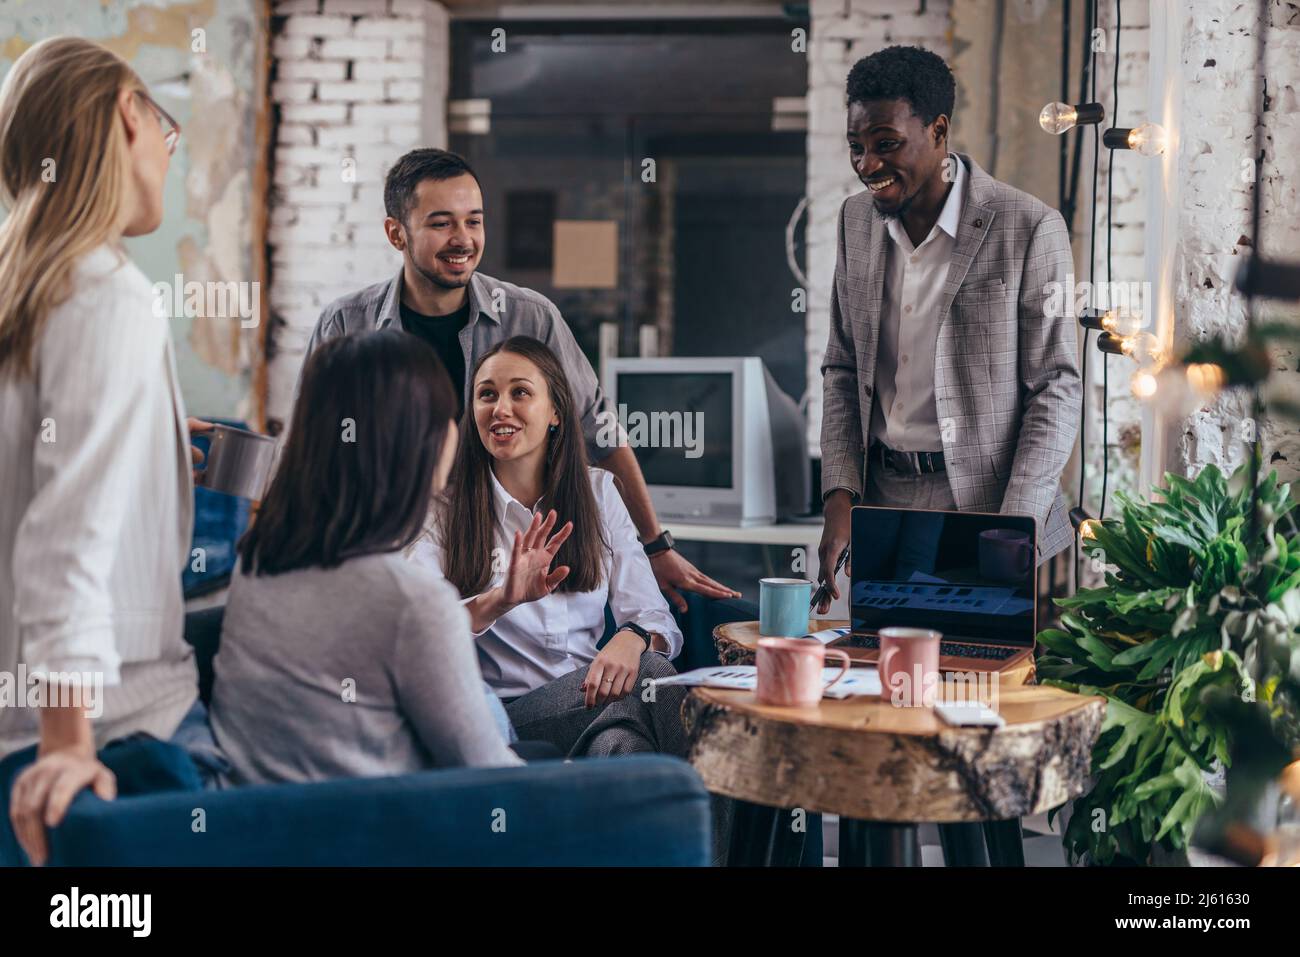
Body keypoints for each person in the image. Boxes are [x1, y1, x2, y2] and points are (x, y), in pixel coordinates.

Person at [300, 147, 738, 613]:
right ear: (396, 233)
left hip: (491, 555)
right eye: (441, 223)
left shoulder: (531, 316)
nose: (463, 239)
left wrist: (654, 546)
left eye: (474, 220)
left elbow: (600, 432)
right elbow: (310, 457)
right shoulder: (346, 324)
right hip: (380, 554)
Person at [0, 36, 224, 866]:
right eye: (165, 127)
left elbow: (29, 483)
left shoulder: (23, 289)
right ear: (128, 114)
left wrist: (154, 441)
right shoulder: (109, 294)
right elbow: (66, 537)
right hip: (120, 736)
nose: (168, 156)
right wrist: (67, 742)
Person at [816, 45, 1081, 613]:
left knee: (975, 679)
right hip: (880, 502)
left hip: (985, 509)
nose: (867, 165)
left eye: (886, 144)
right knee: (881, 678)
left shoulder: (1029, 226)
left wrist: (1016, 524)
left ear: (938, 131)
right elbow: (841, 365)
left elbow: (1056, 387)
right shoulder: (855, 221)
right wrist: (840, 494)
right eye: (856, 148)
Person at [209, 329, 522, 785]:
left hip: (262, 826)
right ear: (421, 443)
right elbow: (490, 779)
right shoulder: (411, 602)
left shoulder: (259, 559)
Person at [411, 336, 689, 760]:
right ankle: (707, 824)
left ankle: (688, 825)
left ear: (555, 412)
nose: (500, 409)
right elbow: (418, 631)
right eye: (487, 395)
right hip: (503, 717)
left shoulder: (598, 494)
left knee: (623, 746)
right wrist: (500, 600)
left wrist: (632, 638)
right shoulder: (444, 509)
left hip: (591, 698)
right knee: (653, 675)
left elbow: (655, 618)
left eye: (519, 392)